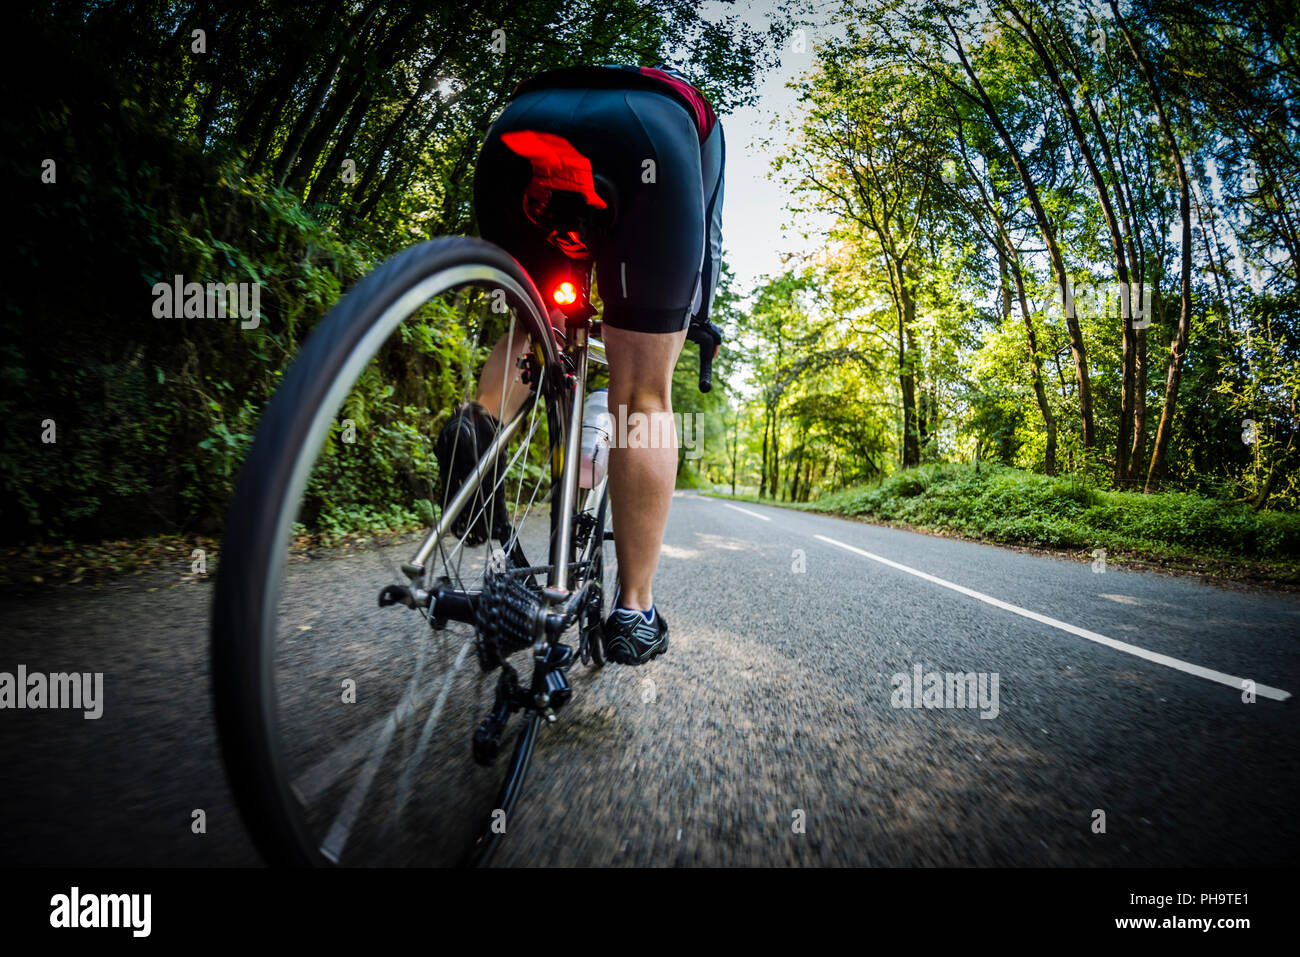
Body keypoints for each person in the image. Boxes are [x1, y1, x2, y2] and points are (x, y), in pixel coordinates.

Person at [435, 63, 724, 666]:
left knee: (531, 320)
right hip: (650, 139)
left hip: (520, 128)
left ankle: (478, 422)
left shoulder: (572, 78)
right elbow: (707, 250)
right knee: (644, 392)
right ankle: (634, 611)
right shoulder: (695, 112)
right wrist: (688, 320)